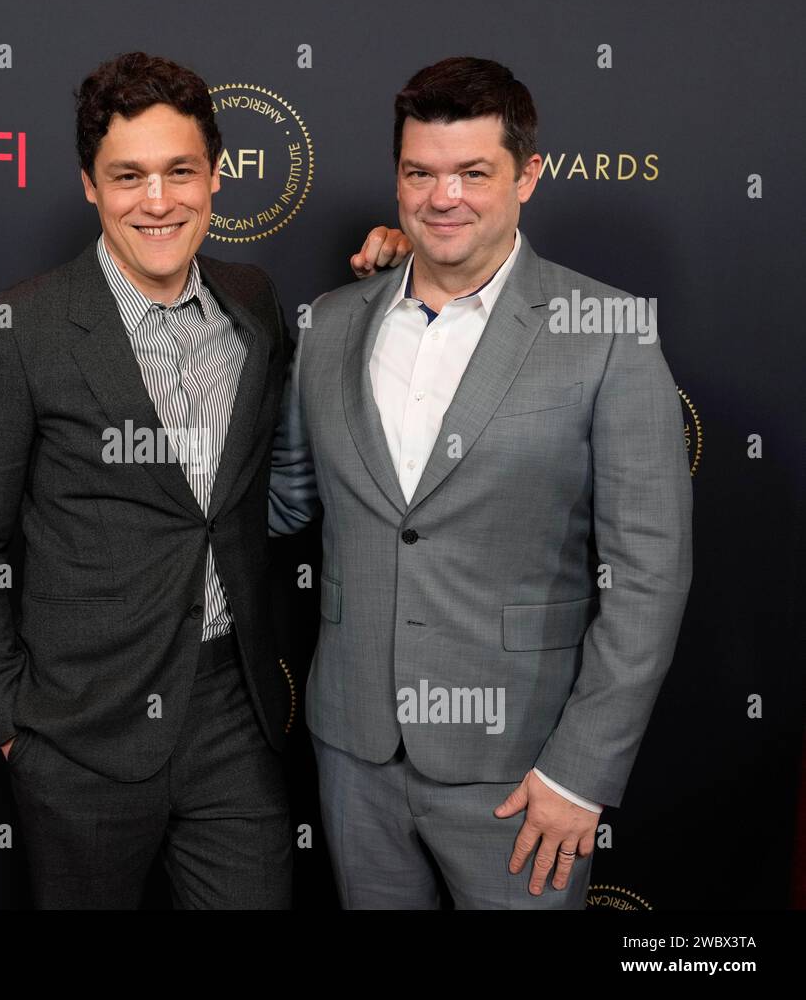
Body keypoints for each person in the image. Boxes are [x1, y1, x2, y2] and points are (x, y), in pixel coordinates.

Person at [0, 50, 405, 908]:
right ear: (89, 185)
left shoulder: (252, 301)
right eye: (129, 176)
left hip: (233, 711)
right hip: (79, 732)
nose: (158, 201)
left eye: (180, 171)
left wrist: (405, 276)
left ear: (215, 177)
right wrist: (10, 724)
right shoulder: (20, 327)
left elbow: (316, 431)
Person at [270, 56, 693, 908]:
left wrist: (581, 774)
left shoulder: (608, 332)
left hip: (523, 775)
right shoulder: (331, 324)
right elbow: (283, 501)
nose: (442, 197)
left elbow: (649, 574)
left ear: (527, 175)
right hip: (354, 759)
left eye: (473, 173)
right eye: (419, 173)